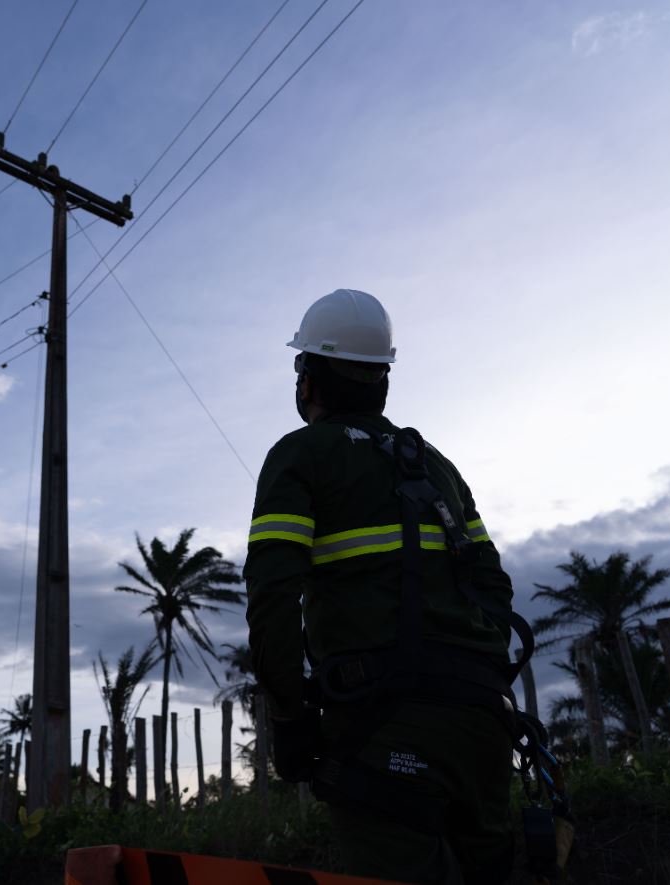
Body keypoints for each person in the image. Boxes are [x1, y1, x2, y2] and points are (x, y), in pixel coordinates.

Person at [244, 289, 523, 885]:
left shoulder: (300, 455)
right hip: (484, 725)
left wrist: (290, 721)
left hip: (382, 726)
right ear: (382, 381)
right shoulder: (438, 466)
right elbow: (493, 585)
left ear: (308, 379)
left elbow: (272, 597)